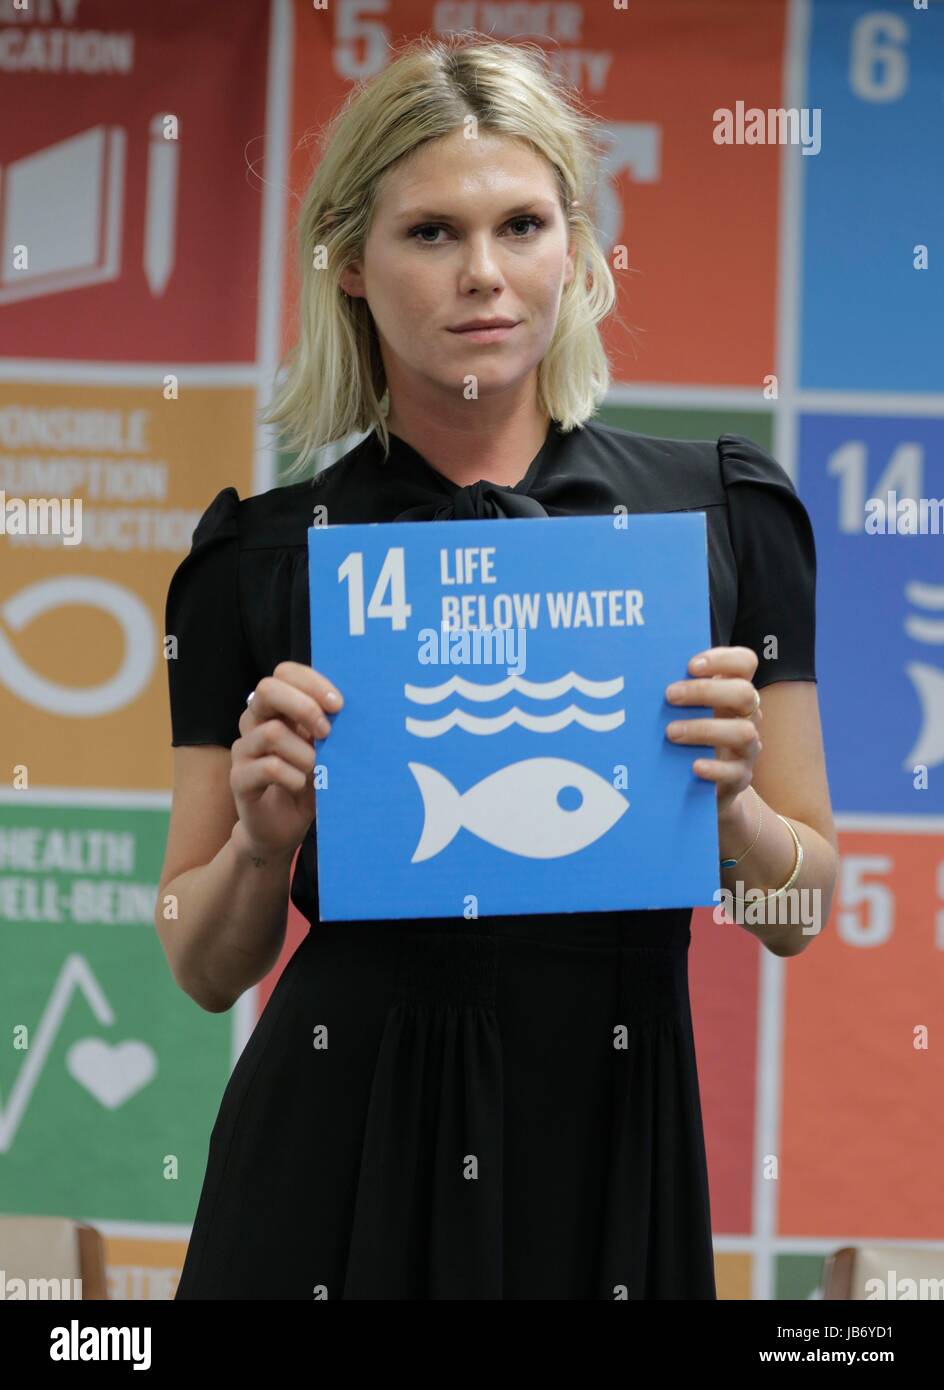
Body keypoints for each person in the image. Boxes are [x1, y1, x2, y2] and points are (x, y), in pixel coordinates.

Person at [158, 34, 838, 1300]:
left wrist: (733, 804)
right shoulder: (253, 557)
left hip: (610, 1138)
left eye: (521, 223)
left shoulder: (727, 519)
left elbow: (796, 915)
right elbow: (199, 965)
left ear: (575, 249)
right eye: (430, 233)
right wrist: (259, 840)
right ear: (347, 264)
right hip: (335, 1150)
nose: (484, 274)